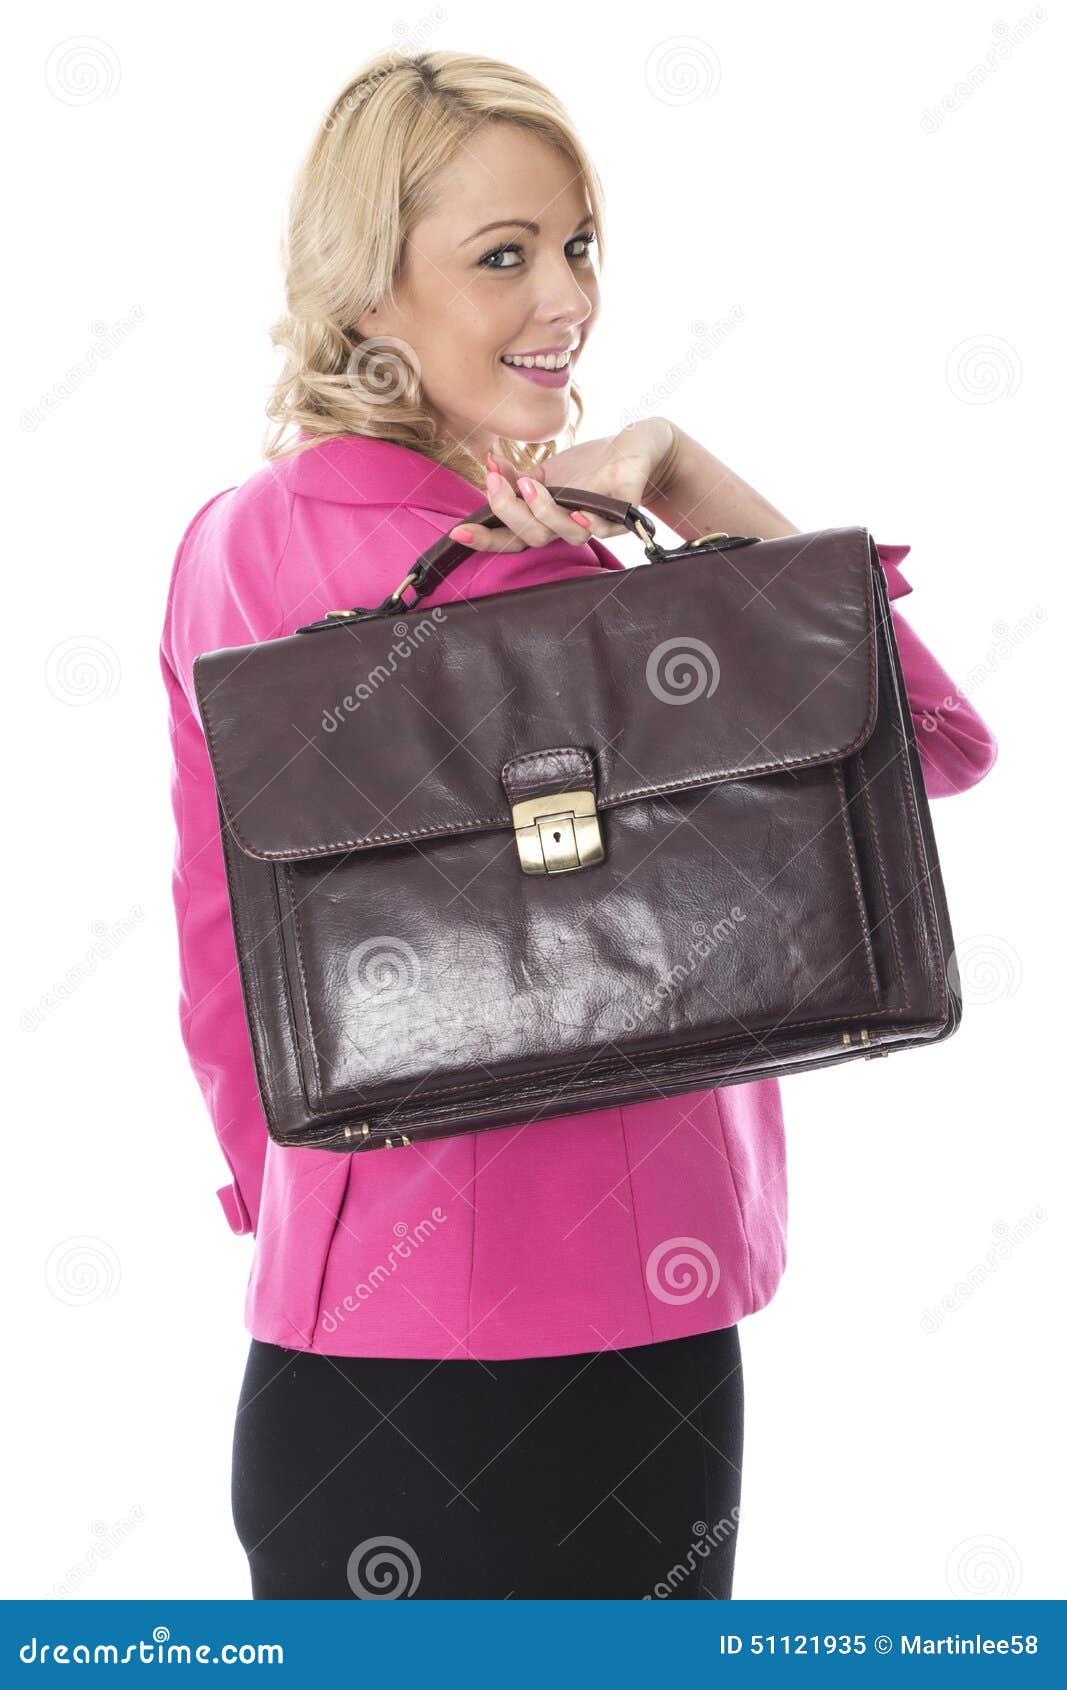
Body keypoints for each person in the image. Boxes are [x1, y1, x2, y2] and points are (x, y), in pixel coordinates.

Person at [158, 49, 999, 1601]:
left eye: (579, 243)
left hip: (343, 1353)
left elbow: (223, 959)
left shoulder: (228, 552)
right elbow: (939, 742)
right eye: (503, 257)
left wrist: (292, 1224)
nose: (568, 298)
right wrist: (684, 483)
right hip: (630, 1357)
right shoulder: (569, 588)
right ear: (365, 295)